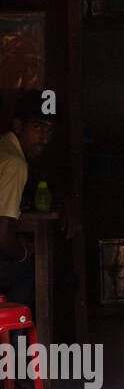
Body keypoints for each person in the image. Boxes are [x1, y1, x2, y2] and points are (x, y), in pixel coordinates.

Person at [0, 91, 55, 313]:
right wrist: (24, 253)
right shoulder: (14, 163)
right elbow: (3, 237)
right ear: (18, 126)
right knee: (31, 272)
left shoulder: (5, 148)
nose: (44, 137)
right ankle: (12, 345)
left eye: (49, 130)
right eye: (38, 127)